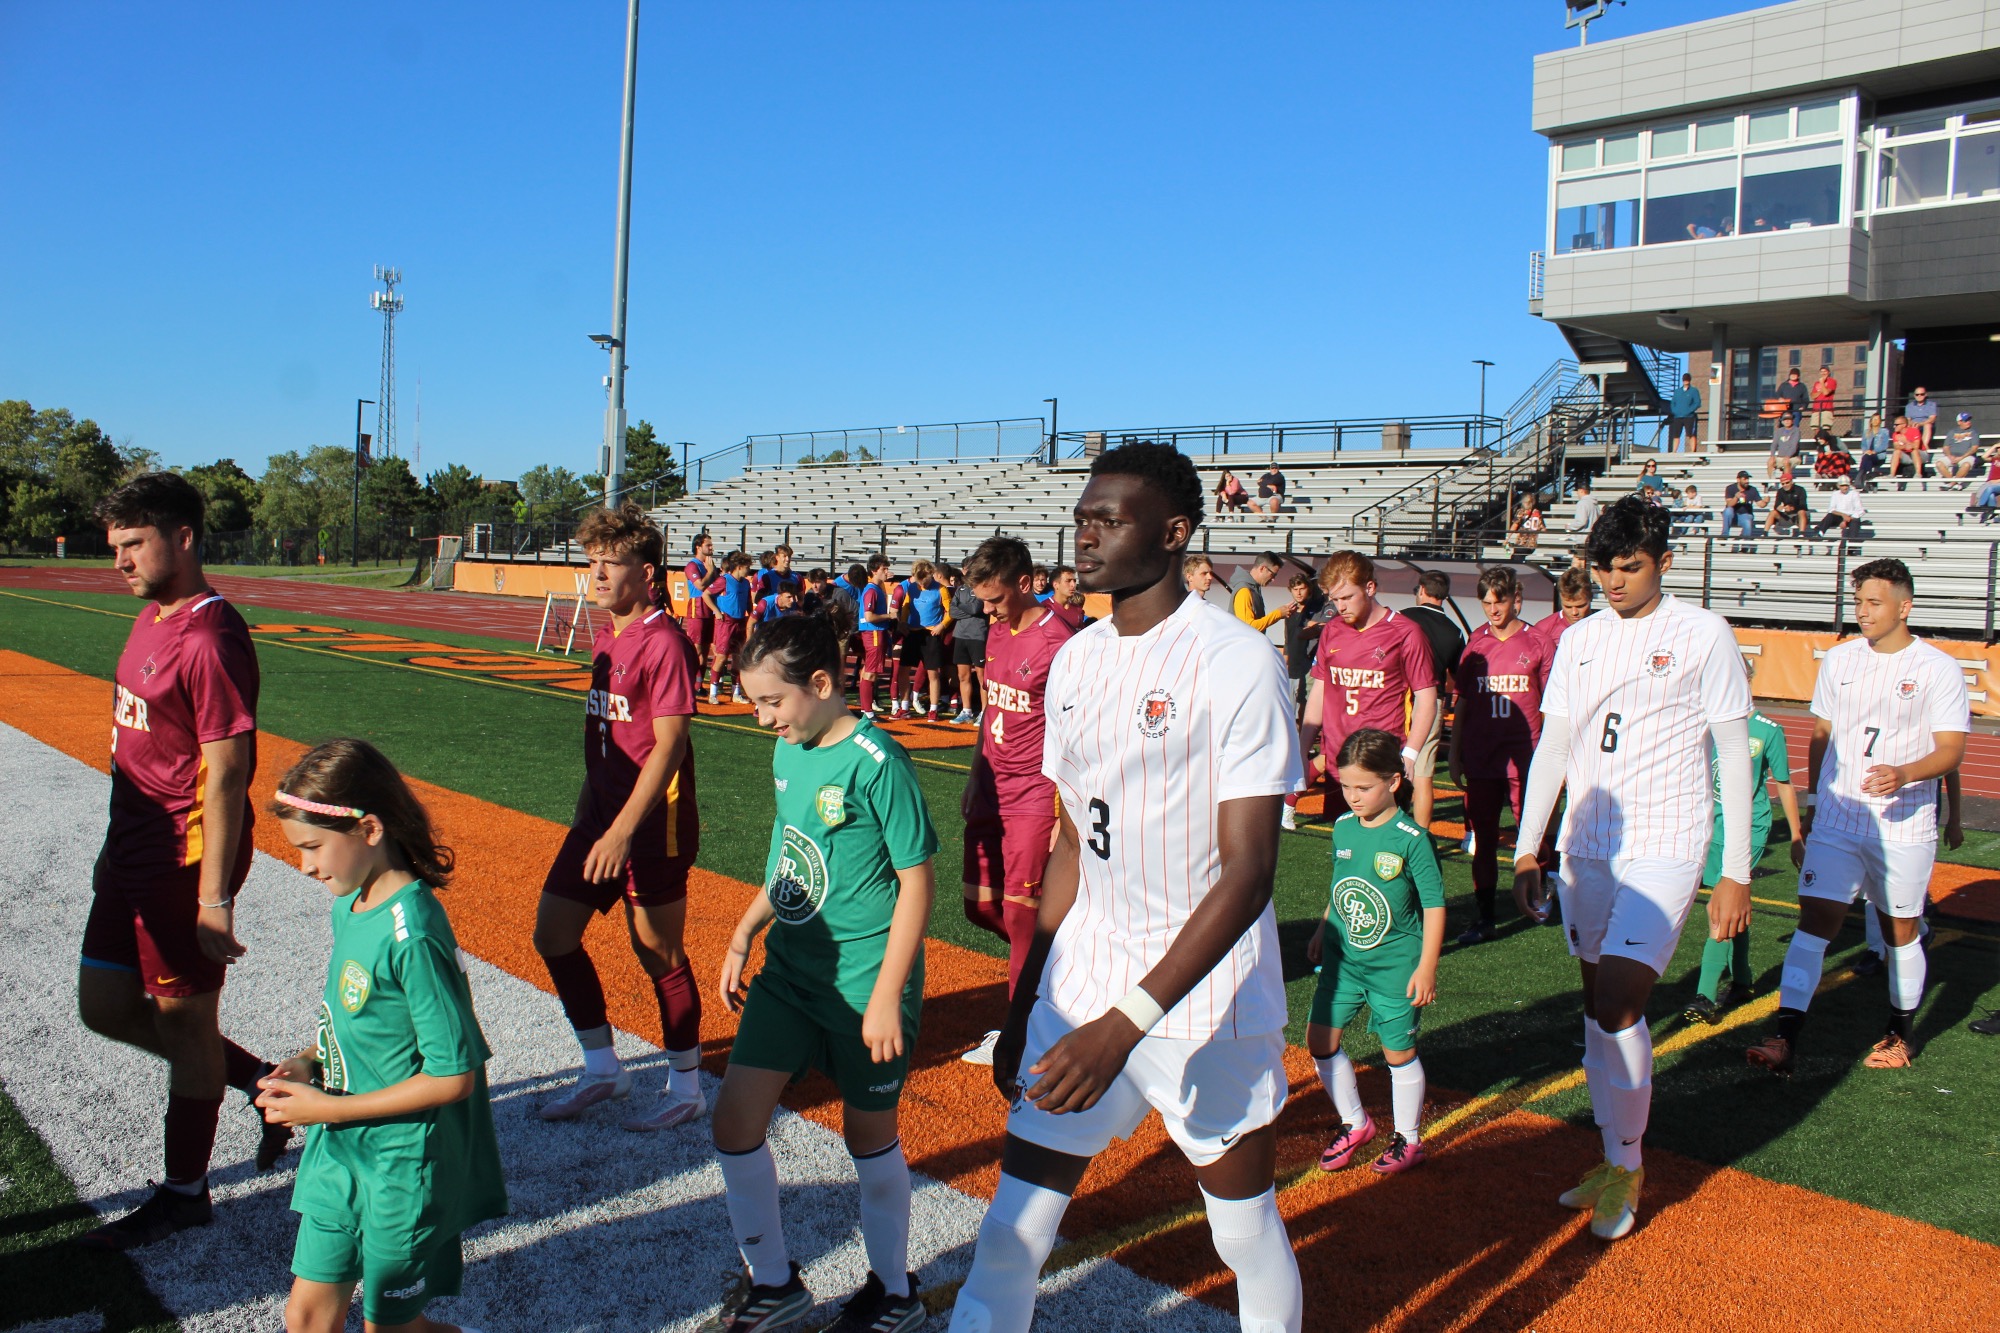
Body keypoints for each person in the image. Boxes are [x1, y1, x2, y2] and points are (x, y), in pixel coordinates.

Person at [947, 441, 1305, 1333]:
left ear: (1176, 532)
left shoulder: (1236, 662)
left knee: (1244, 1234)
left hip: (1204, 1001)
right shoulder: (1077, 658)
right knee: (1010, 1233)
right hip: (1084, 983)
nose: (1087, 535)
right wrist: (1030, 999)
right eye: (1081, 518)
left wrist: (1128, 1023)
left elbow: (1250, 870)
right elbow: (1073, 838)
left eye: (1110, 519)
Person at [1510, 496, 1755, 1241]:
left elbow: (1734, 754)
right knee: (1595, 1008)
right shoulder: (1579, 640)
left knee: (1619, 1001)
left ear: (1664, 563)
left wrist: (1736, 868)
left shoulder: (1703, 634)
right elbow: (1553, 747)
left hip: (1666, 841)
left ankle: (1631, 1161)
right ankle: (1611, 1156)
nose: (1613, 581)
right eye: (1603, 567)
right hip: (1588, 844)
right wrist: (1529, 844)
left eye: (1630, 566)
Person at [708, 610, 938, 1331]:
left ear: (821, 682)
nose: (762, 717)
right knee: (734, 1120)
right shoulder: (790, 751)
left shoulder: (878, 761)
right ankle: (775, 1286)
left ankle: (896, 1293)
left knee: (868, 1137)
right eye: (754, 703)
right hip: (791, 976)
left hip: (865, 984)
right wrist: (746, 930)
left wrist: (883, 998)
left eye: (772, 701)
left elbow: (917, 883)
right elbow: (790, 858)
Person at [76, 473, 289, 1251]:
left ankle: (186, 1191)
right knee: (103, 1005)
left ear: (185, 537)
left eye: (134, 544)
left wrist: (213, 896)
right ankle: (267, 1086)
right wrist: (109, 850)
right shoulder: (152, 617)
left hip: (181, 862)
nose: (121, 562)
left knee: (186, 1021)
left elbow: (227, 772)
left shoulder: (209, 633)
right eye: (116, 547)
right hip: (130, 852)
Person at [257, 739, 503, 1333]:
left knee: (388, 1326)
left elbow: (453, 1075)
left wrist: (328, 1109)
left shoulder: (413, 933)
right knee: (306, 1315)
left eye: (313, 848)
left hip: (400, 1162)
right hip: (339, 1147)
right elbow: (360, 1022)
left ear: (369, 828)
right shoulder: (353, 901)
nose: (306, 866)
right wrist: (309, 1064)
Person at [1745, 559, 1968, 1075]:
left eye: (1874, 603)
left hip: (1902, 823)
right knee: (1814, 923)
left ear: (1903, 607)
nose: (1863, 612)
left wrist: (1906, 772)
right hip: (1839, 820)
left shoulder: (1937, 668)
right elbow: (1822, 732)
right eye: (1858, 602)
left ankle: (1901, 1033)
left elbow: (1952, 750)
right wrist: (1815, 809)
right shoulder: (1840, 661)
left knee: (1899, 931)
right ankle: (1784, 1034)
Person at [531, 505, 706, 1130]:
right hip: (600, 817)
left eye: (612, 562)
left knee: (658, 950)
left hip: (649, 826)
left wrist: (622, 830)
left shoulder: (664, 642)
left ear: (648, 571)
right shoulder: (608, 635)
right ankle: (604, 1069)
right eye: (592, 561)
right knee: (553, 934)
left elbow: (670, 745)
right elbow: (608, 737)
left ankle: (686, 1084)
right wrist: (590, 810)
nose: (598, 574)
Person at [956, 536, 1076, 1065]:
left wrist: (1062, 813)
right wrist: (973, 773)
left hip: (1034, 795)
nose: (986, 609)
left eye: (995, 598)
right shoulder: (999, 630)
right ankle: (1060, 967)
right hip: (990, 785)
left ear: (1026, 584)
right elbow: (992, 710)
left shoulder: (1062, 643)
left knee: (1021, 913)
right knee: (978, 904)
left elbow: (1079, 736)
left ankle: (1019, 1032)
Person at [1305, 730, 1446, 1175]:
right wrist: (1323, 924)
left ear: (1393, 783)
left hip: (1394, 969)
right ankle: (1355, 1123)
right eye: (1345, 786)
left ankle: (1408, 1138)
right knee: (1319, 1040)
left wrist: (1427, 966)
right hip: (1343, 961)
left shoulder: (1411, 838)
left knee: (1397, 1055)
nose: (1352, 797)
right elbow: (1339, 881)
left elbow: (1435, 904)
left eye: (1363, 787)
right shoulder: (1344, 828)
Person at [1683, 656, 1801, 1024]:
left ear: (1747, 679)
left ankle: (1704, 994)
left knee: (1720, 906)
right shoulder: (1703, 722)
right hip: (1709, 825)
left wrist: (1797, 835)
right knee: (1733, 904)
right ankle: (1744, 980)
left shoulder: (1767, 730)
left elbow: (1784, 782)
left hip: (1748, 828)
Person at [1286, 550, 1437, 833]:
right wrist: (1302, 748)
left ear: (1370, 587)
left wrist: (1411, 755)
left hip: (1380, 760)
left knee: (1385, 856)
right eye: (1334, 598)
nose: (1339, 606)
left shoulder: (1406, 632)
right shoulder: (1332, 630)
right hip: (1338, 763)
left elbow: (1426, 697)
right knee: (1345, 849)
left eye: (1346, 597)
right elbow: (1320, 691)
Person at [1450, 566, 1553, 945]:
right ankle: (1485, 916)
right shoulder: (1475, 644)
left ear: (1516, 599)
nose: (1493, 609)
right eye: (1487, 602)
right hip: (1482, 757)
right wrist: (1457, 753)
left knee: (1533, 831)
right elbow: (1461, 705)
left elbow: (1554, 704)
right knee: (1484, 840)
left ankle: (1539, 895)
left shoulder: (1538, 642)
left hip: (1527, 758)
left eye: (1500, 600)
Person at [1404, 571, 1464, 831]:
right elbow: (1456, 676)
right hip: (1432, 700)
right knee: (1424, 773)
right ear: (1445, 596)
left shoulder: (1403, 617)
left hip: (1399, 697)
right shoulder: (1454, 631)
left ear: (1421, 590)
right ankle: (1421, 835)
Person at [895, 560, 948, 721]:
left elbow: (950, 611)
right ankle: (904, 707)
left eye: (922, 579)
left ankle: (933, 709)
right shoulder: (911, 588)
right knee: (903, 670)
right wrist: (902, 622)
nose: (920, 583)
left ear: (930, 575)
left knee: (933, 673)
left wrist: (942, 626)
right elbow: (905, 606)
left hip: (930, 634)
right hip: (912, 633)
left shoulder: (941, 590)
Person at [707, 552, 756, 706]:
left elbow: (748, 602)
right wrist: (716, 611)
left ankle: (736, 692)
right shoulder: (724, 580)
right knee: (721, 657)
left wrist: (750, 616)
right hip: (726, 622)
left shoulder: (745, 583)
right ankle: (713, 692)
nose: (748, 570)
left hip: (740, 621)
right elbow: (706, 594)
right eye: (747, 567)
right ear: (739, 567)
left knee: (738, 657)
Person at [948, 561, 990, 726]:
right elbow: (952, 611)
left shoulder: (982, 588)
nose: (968, 571)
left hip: (978, 636)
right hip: (961, 635)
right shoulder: (961, 589)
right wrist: (965, 608)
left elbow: (975, 609)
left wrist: (960, 607)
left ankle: (985, 712)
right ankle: (966, 711)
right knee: (962, 676)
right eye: (966, 568)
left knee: (982, 677)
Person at [1282, 571, 1328, 718]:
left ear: (1309, 588)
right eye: (1295, 589)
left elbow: (1325, 627)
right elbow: (1288, 640)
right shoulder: (1289, 612)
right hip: (1293, 667)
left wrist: (1312, 625)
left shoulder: (1316, 609)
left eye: (1301, 588)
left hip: (1310, 664)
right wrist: (1285, 664)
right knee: (1289, 710)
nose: (1299, 593)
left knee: (1306, 706)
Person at [856, 555, 897, 715]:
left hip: (876, 631)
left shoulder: (877, 588)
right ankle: (867, 711)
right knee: (871, 671)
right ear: (874, 571)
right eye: (883, 569)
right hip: (874, 631)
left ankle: (867, 708)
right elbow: (869, 616)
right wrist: (889, 616)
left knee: (869, 669)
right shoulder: (871, 590)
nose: (887, 571)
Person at [684, 533, 721, 693]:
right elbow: (700, 585)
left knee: (705, 650)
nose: (711, 548)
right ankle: (686, 683)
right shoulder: (692, 565)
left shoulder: (710, 566)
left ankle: (698, 685)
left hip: (709, 607)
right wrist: (710, 571)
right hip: (697, 607)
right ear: (698, 547)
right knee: (696, 648)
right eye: (708, 545)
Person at [1231, 552, 1297, 639]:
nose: (1273, 579)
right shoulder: (1244, 591)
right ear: (1262, 568)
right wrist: (1278, 614)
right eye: (1272, 574)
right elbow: (1249, 627)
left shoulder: (1252, 589)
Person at [1534, 565, 1594, 650]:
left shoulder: (1605, 626)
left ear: (1591, 597)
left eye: (1580, 606)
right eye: (1568, 607)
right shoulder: (1543, 629)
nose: (1574, 612)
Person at [1721, 472, 1761, 549]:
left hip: (1745, 515)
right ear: (1738, 479)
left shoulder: (1752, 489)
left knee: (1747, 520)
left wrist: (1765, 501)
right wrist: (1736, 497)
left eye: (1748, 479)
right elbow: (1729, 504)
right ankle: (1724, 535)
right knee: (1728, 510)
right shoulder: (1730, 488)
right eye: (1744, 479)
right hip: (1733, 516)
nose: (1747, 481)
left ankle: (1745, 545)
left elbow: (1761, 504)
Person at [1941, 412, 1981, 486]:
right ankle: (1954, 483)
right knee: (1939, 464)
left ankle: (1951, 484)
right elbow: (1945, 447)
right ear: (1959, 422)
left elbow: (1974, 448)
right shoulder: (1952, 432)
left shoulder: (1974, 432)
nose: (1968, 422)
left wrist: (1961, 457)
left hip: (1966, 456)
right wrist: (1950, 456)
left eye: (1969, 420)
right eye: (1966, 420)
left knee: (1966, 465)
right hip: (1952, 455)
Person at [1766, 470, 1808, 540]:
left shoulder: (1800, 490)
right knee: (1772, 512)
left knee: (1801, 512)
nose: (1785, 485)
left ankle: (1802, 534)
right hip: (1787, 516)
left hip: (1798, 516)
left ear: (1792, 481)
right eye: (1783, 484)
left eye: (1787, 483)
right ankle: (1765, 533)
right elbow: (1776, 505)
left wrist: (1792, 508)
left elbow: (1803, 505)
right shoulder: (1780, 491)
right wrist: (1780, 508)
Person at [1890, 413, 1927, 488]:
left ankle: (1918, 473)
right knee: (1897, 451)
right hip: (1907, 455)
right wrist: (1907, 446)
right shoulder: (1895, 434)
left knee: (1914, 450)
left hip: (1921, 455)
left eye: (1896, 424)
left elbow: (1916, 446)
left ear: (1903, 425)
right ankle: (1892, 475)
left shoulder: (1914, 431)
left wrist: (1905, 441)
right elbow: (1896, 446)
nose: (1894, 426)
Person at [1668, 374, 1701, 453]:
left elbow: (1697, 403)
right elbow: (1673, 403)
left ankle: (1693, 451)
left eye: (1687, 379)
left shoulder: (1694, 391)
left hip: (1689, 417)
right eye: (1684, 379)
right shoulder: (1677, 391)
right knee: (1676, 435)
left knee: (1690, 434)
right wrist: (1674, 411)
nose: (1685, 381)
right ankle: (1674, 451)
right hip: (1677, 417)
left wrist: (1689, 410)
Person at [1047, 563, 1084, 629]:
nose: (1073, 585)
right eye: (1068, 581)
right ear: (1056, 585)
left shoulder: (1078, 610)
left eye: (1074, 581)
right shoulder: (1045, 608)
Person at [1857, 414, 1890, 488]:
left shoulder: (1884, 431)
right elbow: (1863, 445)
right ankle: (1867, 474)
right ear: (1871, 421)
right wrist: (1866, 451)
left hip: (1879, 456)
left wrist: (1874, 451)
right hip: (1868, 456)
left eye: (1877, 419)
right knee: (1866, 457)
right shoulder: (1866, 432)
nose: (1875, 421)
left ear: (1880, 421)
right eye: (1874, 419)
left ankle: (1862, 475)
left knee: (1866, 458)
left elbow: (1884, 445)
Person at [1768, 413, 1802, 479]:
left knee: (1786, 462)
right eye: (1785, 420)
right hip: (1781, 457)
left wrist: (1788, 456)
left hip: (1793, 457)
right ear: (1782, 421)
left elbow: (1794, 446)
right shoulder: (1779, 431)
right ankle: (1771, 483)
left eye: (1789, 419)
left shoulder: (1796, 430)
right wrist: (1772, 455)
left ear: (1792, 421)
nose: (1787, 421)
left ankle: (1786, 480)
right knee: (1770, 461)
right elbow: (1774, 444)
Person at [1809, 365, 1839, 432]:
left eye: (1825, 371)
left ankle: (1827, 442)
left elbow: (1826, 393)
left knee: (1826, 428)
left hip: (1827, 409)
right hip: (1816, 409)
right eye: (1821, 371)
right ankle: (1817, 442)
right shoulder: (1816, 383)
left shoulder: (1832, 381)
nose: (1823, 373)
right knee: (1815, 428)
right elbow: (1813, 396)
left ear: (1828, 372)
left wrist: (1822, 382)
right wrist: (1820, 391)